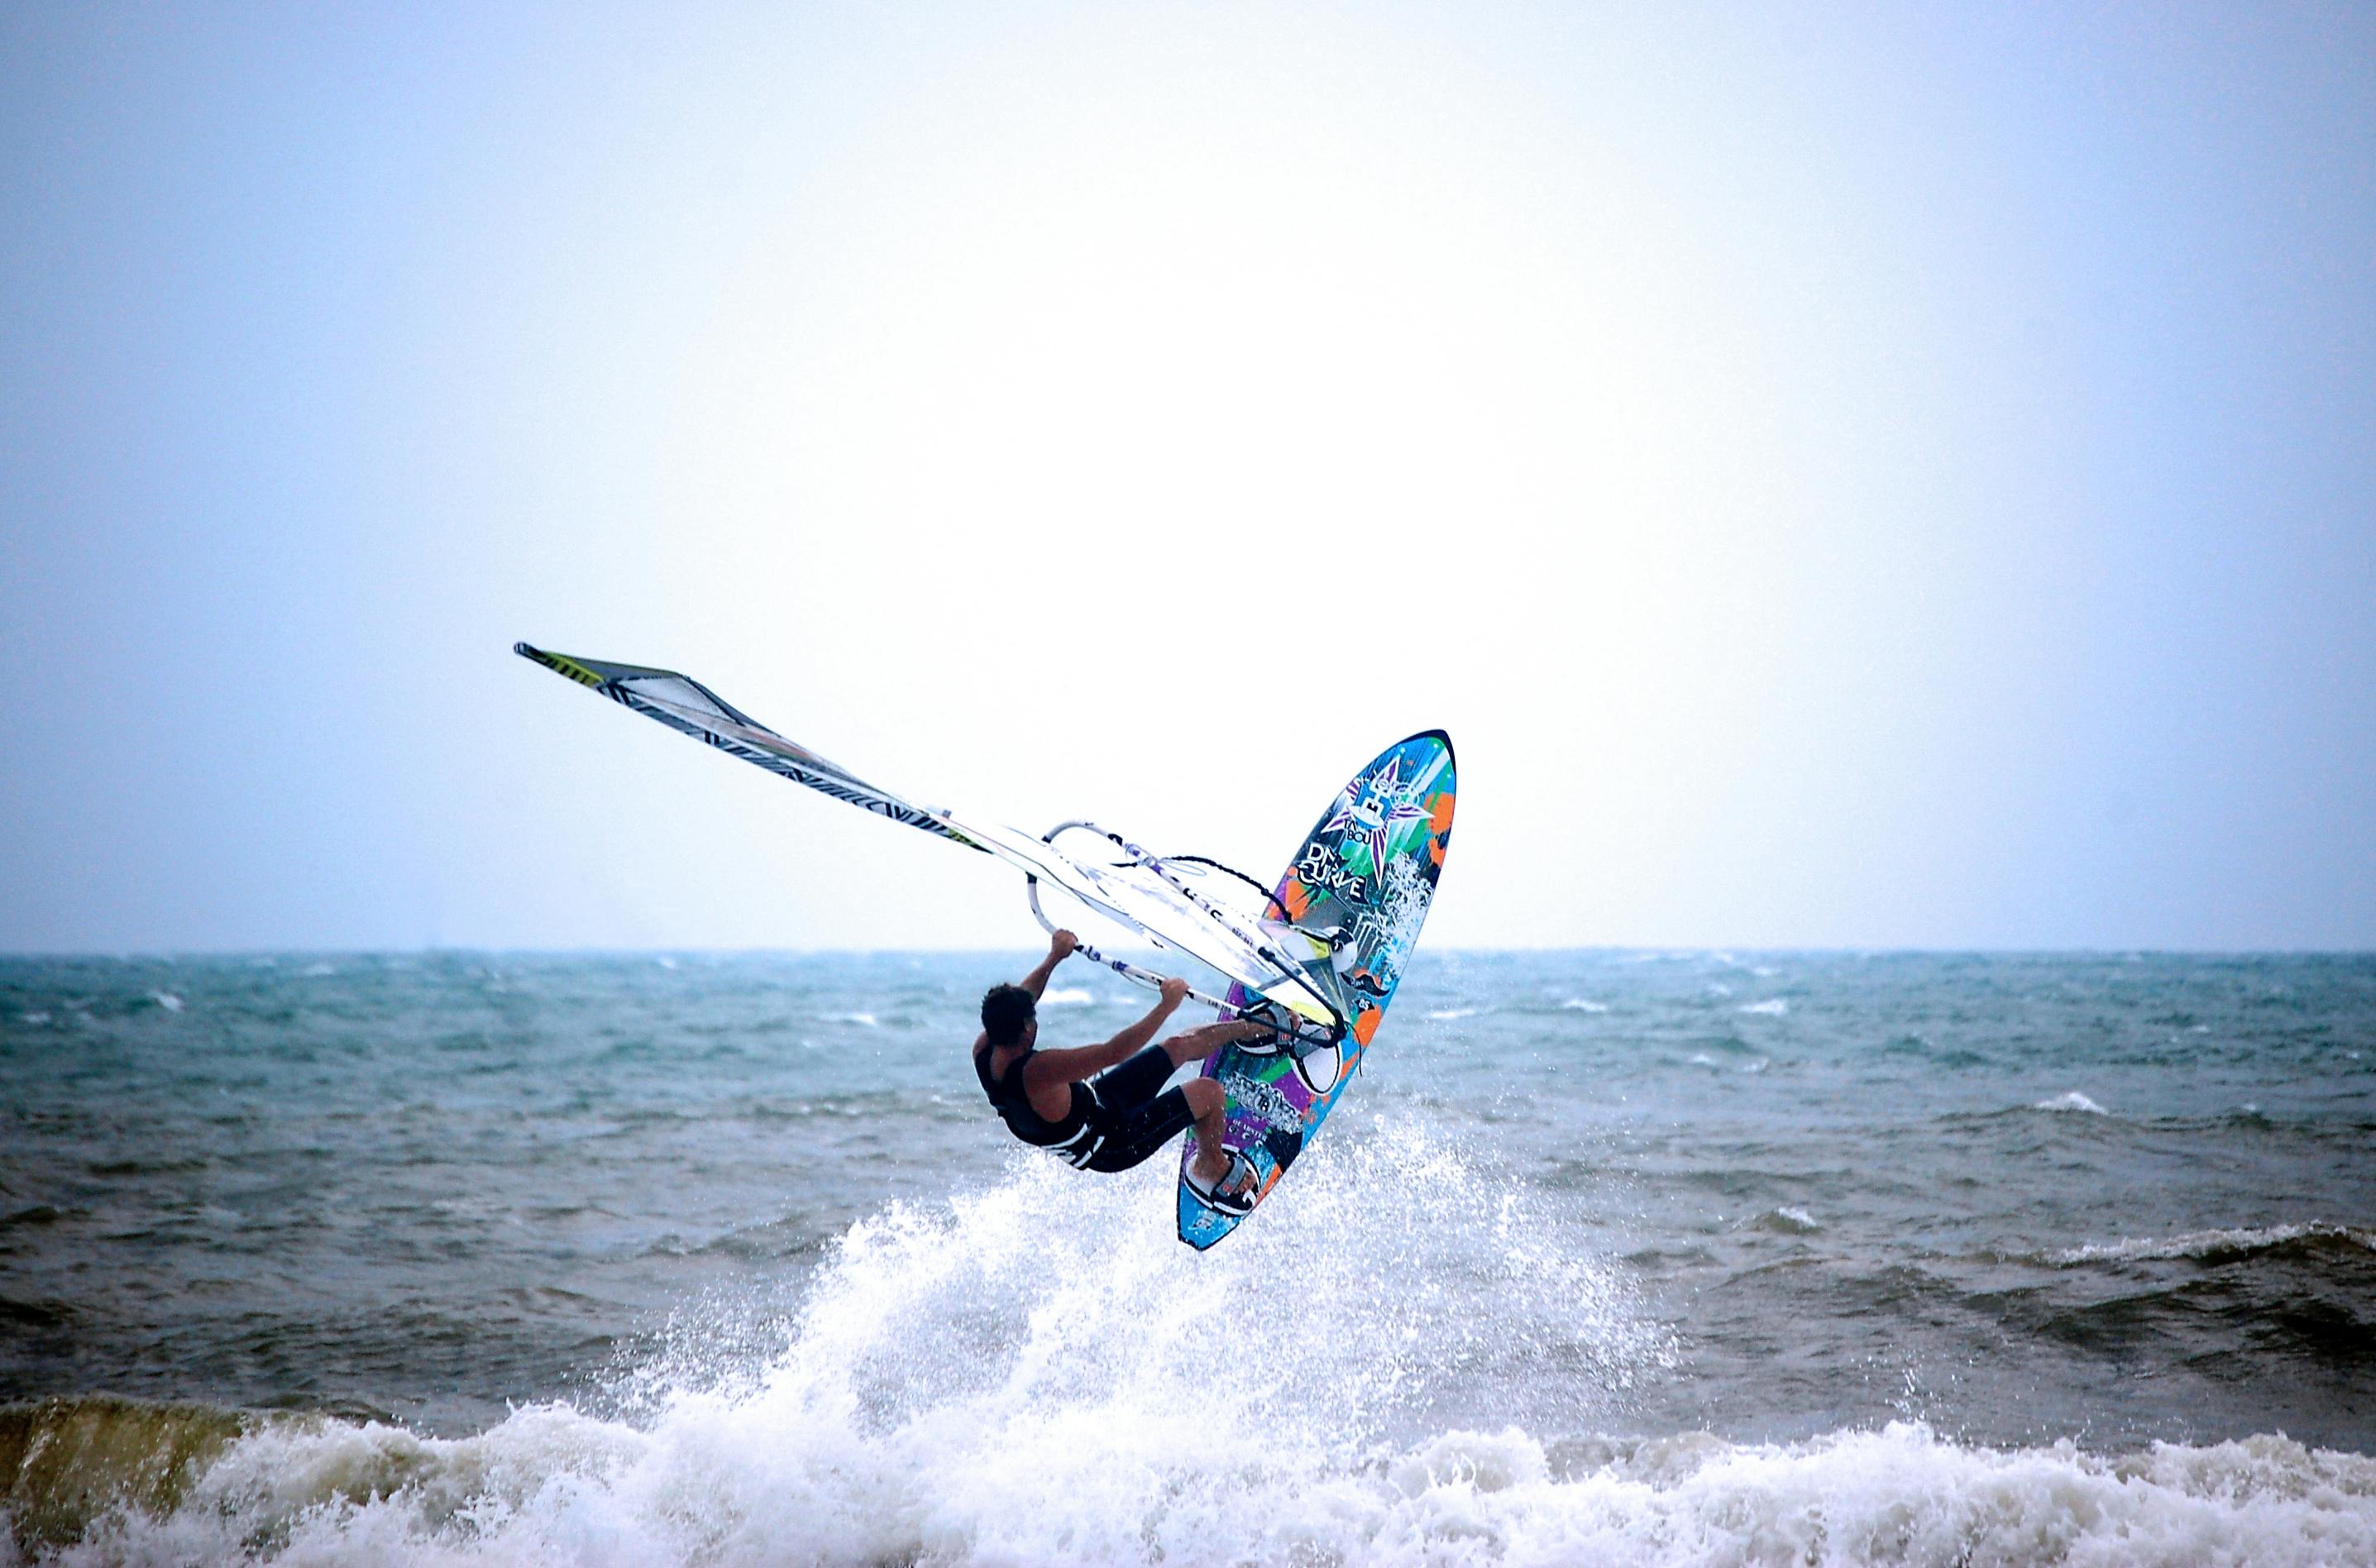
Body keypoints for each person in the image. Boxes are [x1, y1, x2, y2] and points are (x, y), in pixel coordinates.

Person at [973, 929, 1269, 1213]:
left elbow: (1023, 999)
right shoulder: (1038, 1072)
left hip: (1099, 1103)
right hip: (1112, 1144)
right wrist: (1166, 1006)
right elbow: (1112, 1053)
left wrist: (1054, 957)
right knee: (1209, 1093)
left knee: (1179, 1045)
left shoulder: (986, 1046)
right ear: (1026, 1027)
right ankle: (1210, 1164)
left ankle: (1253, 1028)